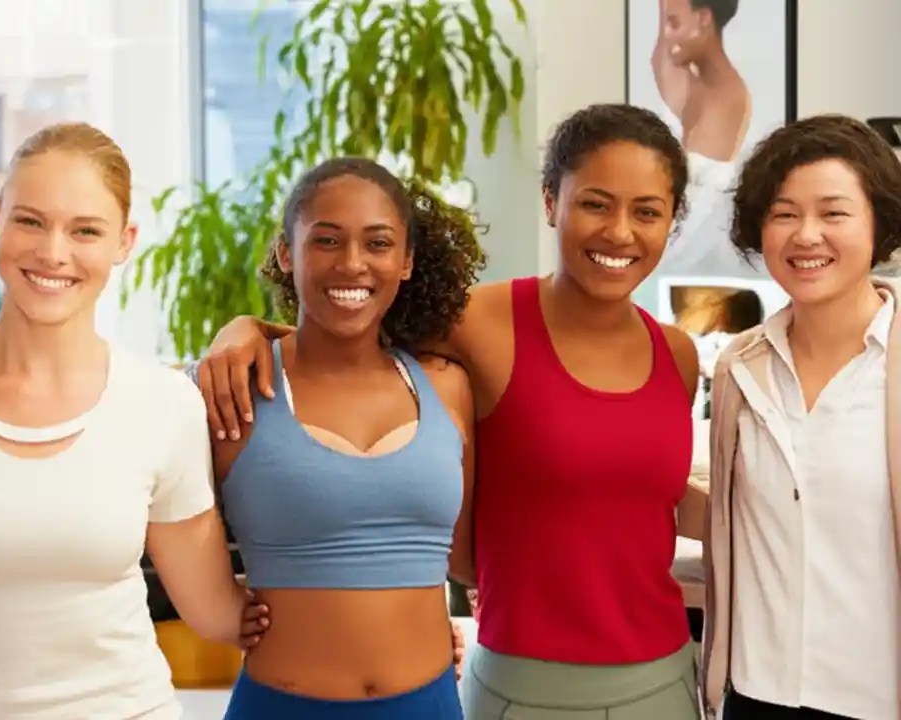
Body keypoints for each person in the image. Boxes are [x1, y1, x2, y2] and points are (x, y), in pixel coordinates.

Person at [196, 104, 705, 718]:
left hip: (661, 680)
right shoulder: (477, 325)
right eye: (596, 203)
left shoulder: (678, 355)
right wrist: (245, 330)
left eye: (647, 211)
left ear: (671, 221)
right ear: (552, 203)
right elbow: (347, 332)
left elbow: (650, 501)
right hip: (518, 682)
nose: (620, 231)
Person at [0, 122, 267, 719]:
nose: (54, 252)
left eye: (85, 230)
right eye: (30, 220)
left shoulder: (163, 404)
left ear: (124, 241)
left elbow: (218, 612)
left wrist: (396, 620)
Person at [185, 157, 478, 718]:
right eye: (326, 240)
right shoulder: (231, 389)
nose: (352, 264)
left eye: (378, 243)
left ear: (407, 260)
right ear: (285, 253)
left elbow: (462, 559)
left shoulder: (448, 387)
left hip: (430, 703)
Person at [704, 114, 901, 720]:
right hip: (755, 693)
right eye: (784, 214)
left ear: (879, 224)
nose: (806, 235)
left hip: (878, 698)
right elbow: (725, 517)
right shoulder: (741, 366)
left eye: (834, 213)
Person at [652, 0, 751, 163]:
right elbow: (661, 63)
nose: (667, 35)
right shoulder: (695, 86)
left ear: (704, 18)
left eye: (674, 24)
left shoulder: (729, 99)